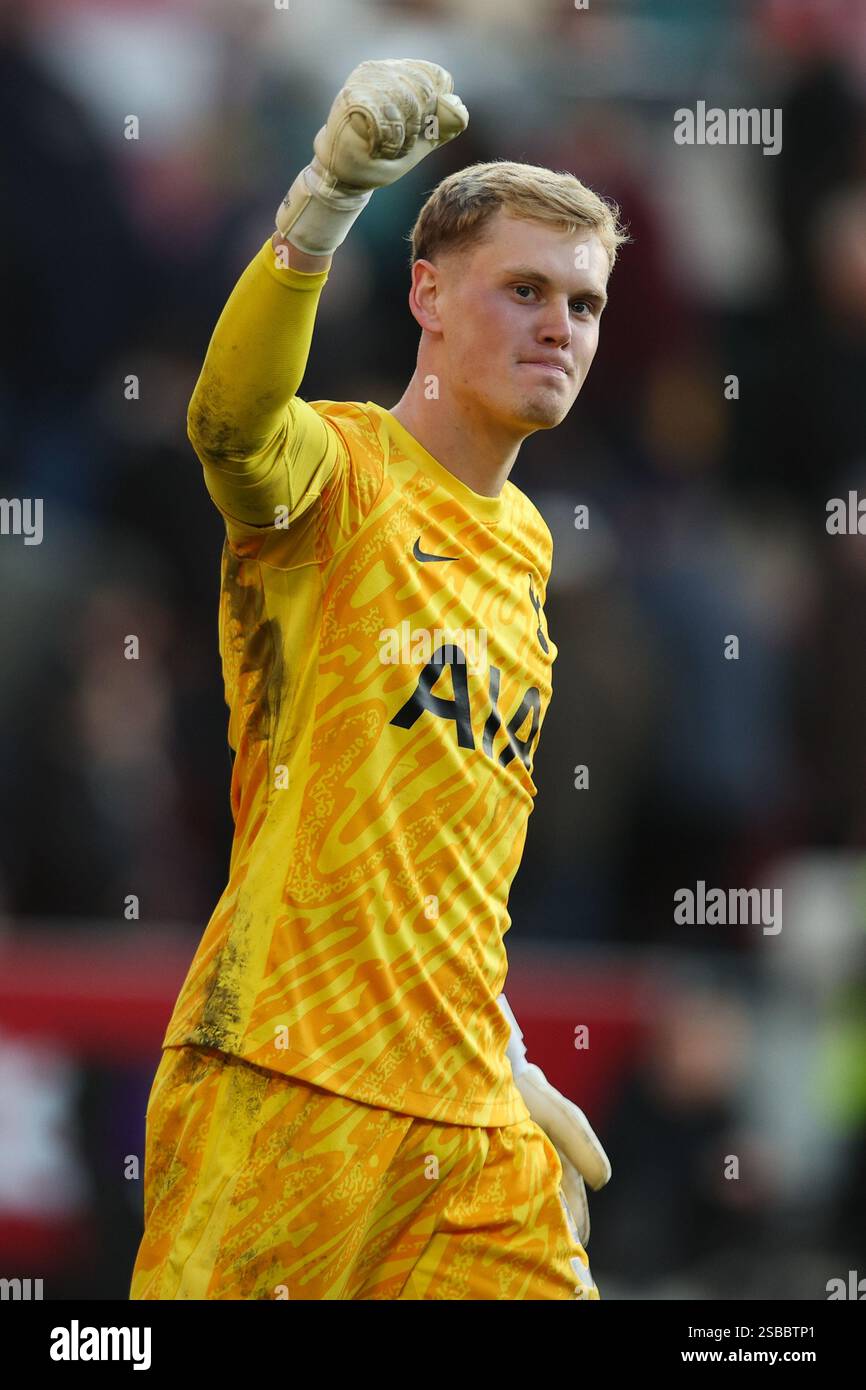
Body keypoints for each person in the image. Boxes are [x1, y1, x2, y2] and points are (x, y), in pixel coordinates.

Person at [130, 59, 626, 1301]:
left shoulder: (526, 546)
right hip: (286, 1075)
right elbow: (227, 428)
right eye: (522, 290)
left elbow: (438, 839)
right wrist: (323, 202)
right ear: (426, 294)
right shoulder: (335, 475)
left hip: (463, 1114)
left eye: (582, 301)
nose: (557, 326)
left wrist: (498, 1041)